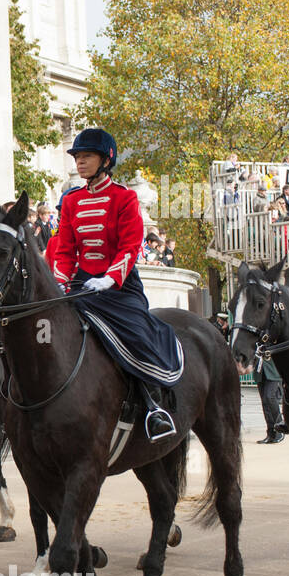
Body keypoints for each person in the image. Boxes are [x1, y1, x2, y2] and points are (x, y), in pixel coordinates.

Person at [49, 127, 184, 441]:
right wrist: (59, 282)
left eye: (86, 157)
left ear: (105, 159)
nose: (79, 162)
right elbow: (66, 249)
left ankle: (153, 406)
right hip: (81, 284)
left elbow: (130, 246)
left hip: (118, 285)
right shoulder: (71, 201)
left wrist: (110, 278)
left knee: (135, 333)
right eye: (77, 157)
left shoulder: (124, 197)